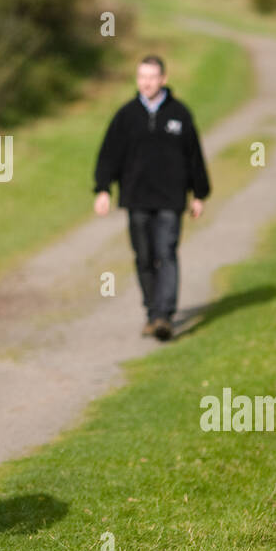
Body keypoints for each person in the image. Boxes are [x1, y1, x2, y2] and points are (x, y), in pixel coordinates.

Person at [93, 55, 210, 341]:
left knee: (166, 253)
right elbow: (109, 154)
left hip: (171, 199)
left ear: (164, 79)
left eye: (152, 77)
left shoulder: (180, 115)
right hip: (137, 198)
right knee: (144, 256)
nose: (146, 82)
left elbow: (194, 156)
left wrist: (199, 193)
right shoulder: (126, 116)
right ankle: (151, 311)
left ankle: (164, 316)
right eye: (142, 77)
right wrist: (103, 189)